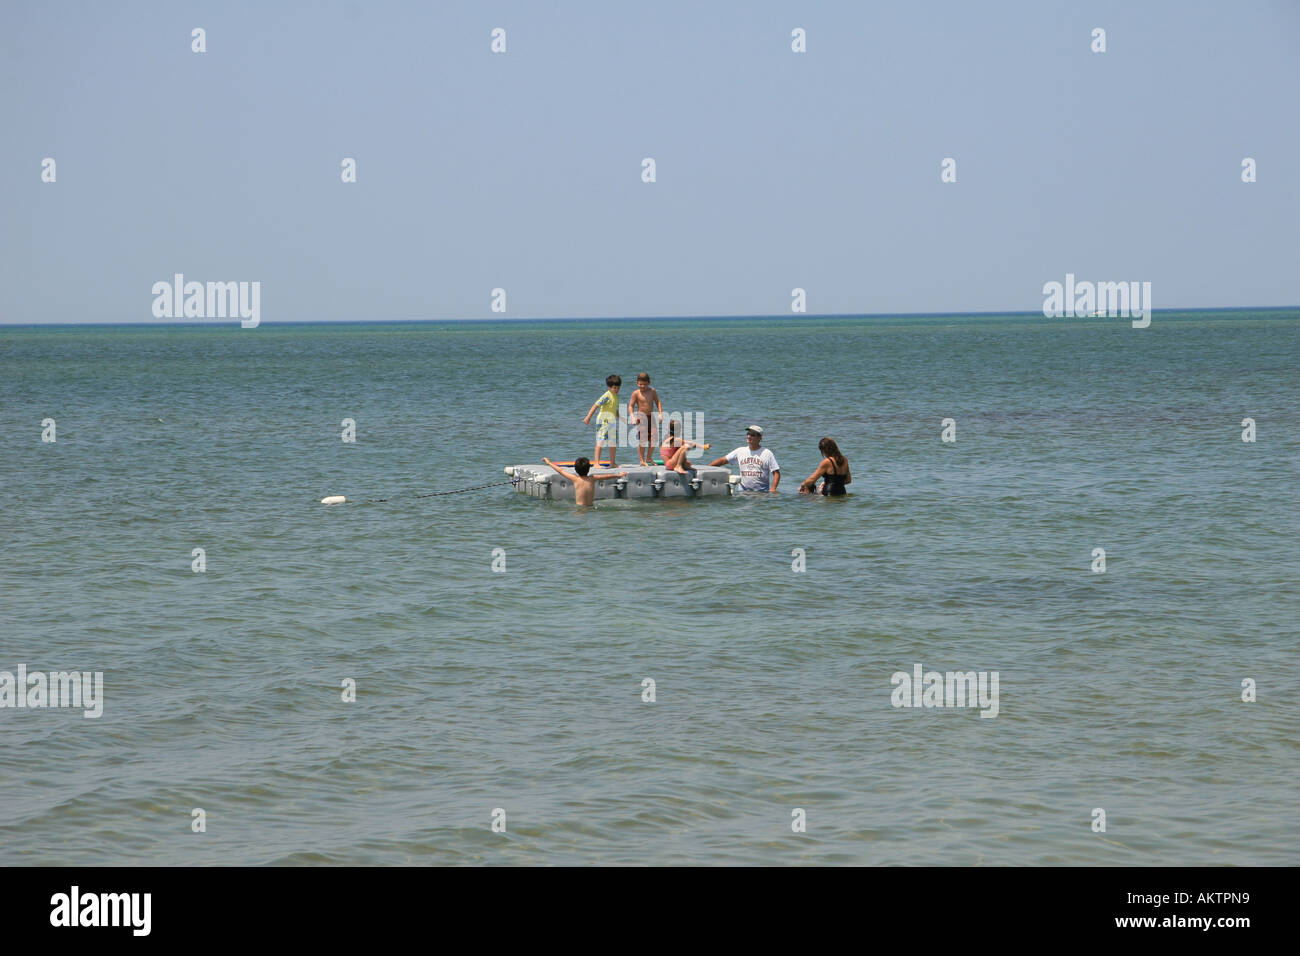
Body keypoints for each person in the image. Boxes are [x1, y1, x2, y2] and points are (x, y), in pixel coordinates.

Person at [708, 425, 780, 492]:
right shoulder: (740, 451)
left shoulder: (767, 453)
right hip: (743, 492)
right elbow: (723, 460)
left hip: (762, 492)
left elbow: (776, 473)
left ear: (759, 438)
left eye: (752, 435)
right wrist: (707, 468)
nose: (749, 436)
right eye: (748, 434)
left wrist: (773, 489)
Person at [542, 457, 627, 507]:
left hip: (579, 509)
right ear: (589, 468)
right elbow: (606, 476)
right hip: (591, 508)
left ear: (575, 469)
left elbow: (560, 471)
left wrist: (549, 462)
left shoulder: (575, 479)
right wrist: (618, 475)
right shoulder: (593, 478)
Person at [582, 374, 621, 468]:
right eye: (614, 388)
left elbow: (614, 410)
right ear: (609, 387)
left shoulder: (616, 396)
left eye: (618, 388)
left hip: (611, 421)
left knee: (612, 443)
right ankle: (596, 463)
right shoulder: (607, 395)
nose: (616, 390)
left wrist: (622, 418)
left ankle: (612, 463)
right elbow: (595, 405)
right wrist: (588, 417)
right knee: (600, 441)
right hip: (603, 422)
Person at [627, 373, 663, 466]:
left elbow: (658, 402)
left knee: (654, 438)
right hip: (641, 417)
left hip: (651, 416)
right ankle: (642, 460)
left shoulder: (652, 391)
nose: (642, 386)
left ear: (649, 383)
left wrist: (660, 414)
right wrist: (632, 417)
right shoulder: (636, 393)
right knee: (643, 440)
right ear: (637, 383)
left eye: (645, 384)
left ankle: (649, 458)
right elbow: (631, 406)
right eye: (640, 384)